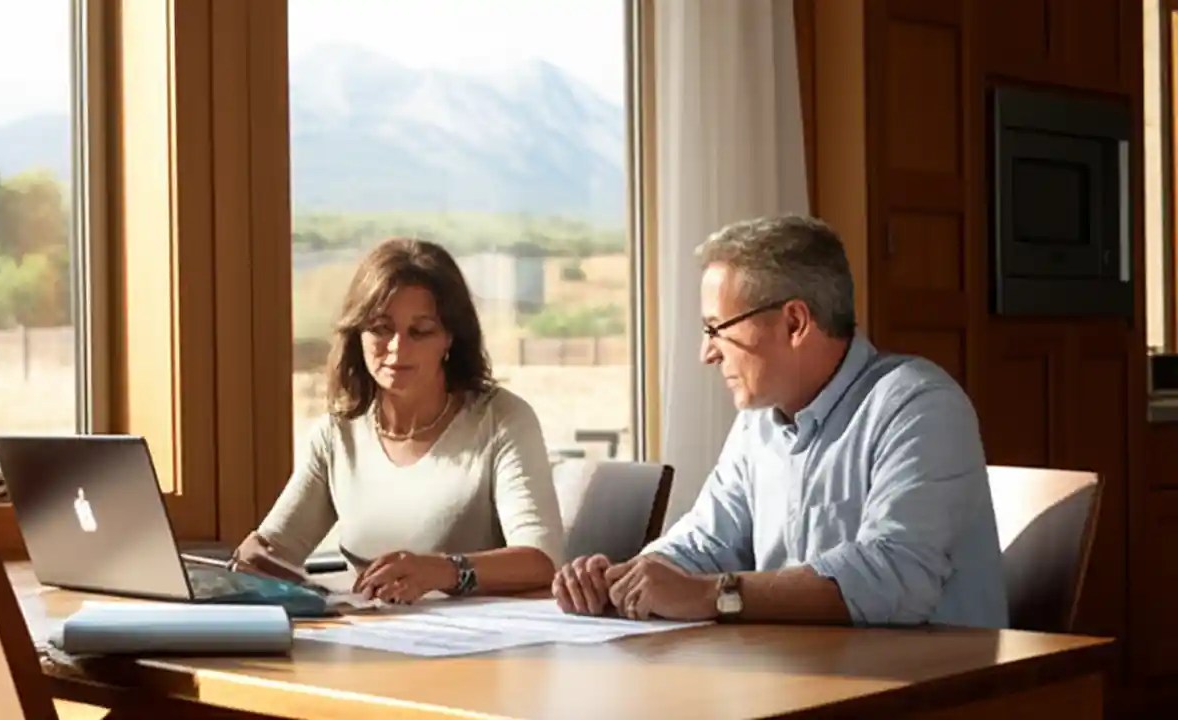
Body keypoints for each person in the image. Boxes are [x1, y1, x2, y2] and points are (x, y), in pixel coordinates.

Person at [554, 215, 1007, 628]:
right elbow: (705, 545)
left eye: (716, 328)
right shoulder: (759, 423)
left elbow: (895, 577)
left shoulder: (918, 405)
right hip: (812, 679)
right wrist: (621, 582)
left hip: (934, 694)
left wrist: (716, 595)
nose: (707, 352)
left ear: (794, 322)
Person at [234, 238, 563, 603]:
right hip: (366, 641)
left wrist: (441, 571)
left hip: (479, 648)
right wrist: (248, 565)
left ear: (450, 339)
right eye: (380, 328)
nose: (396, 349)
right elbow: (272, 553)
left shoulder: (502, 420)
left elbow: (542, 562)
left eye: (420, 331)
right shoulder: (336, 434)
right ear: (356, 333)